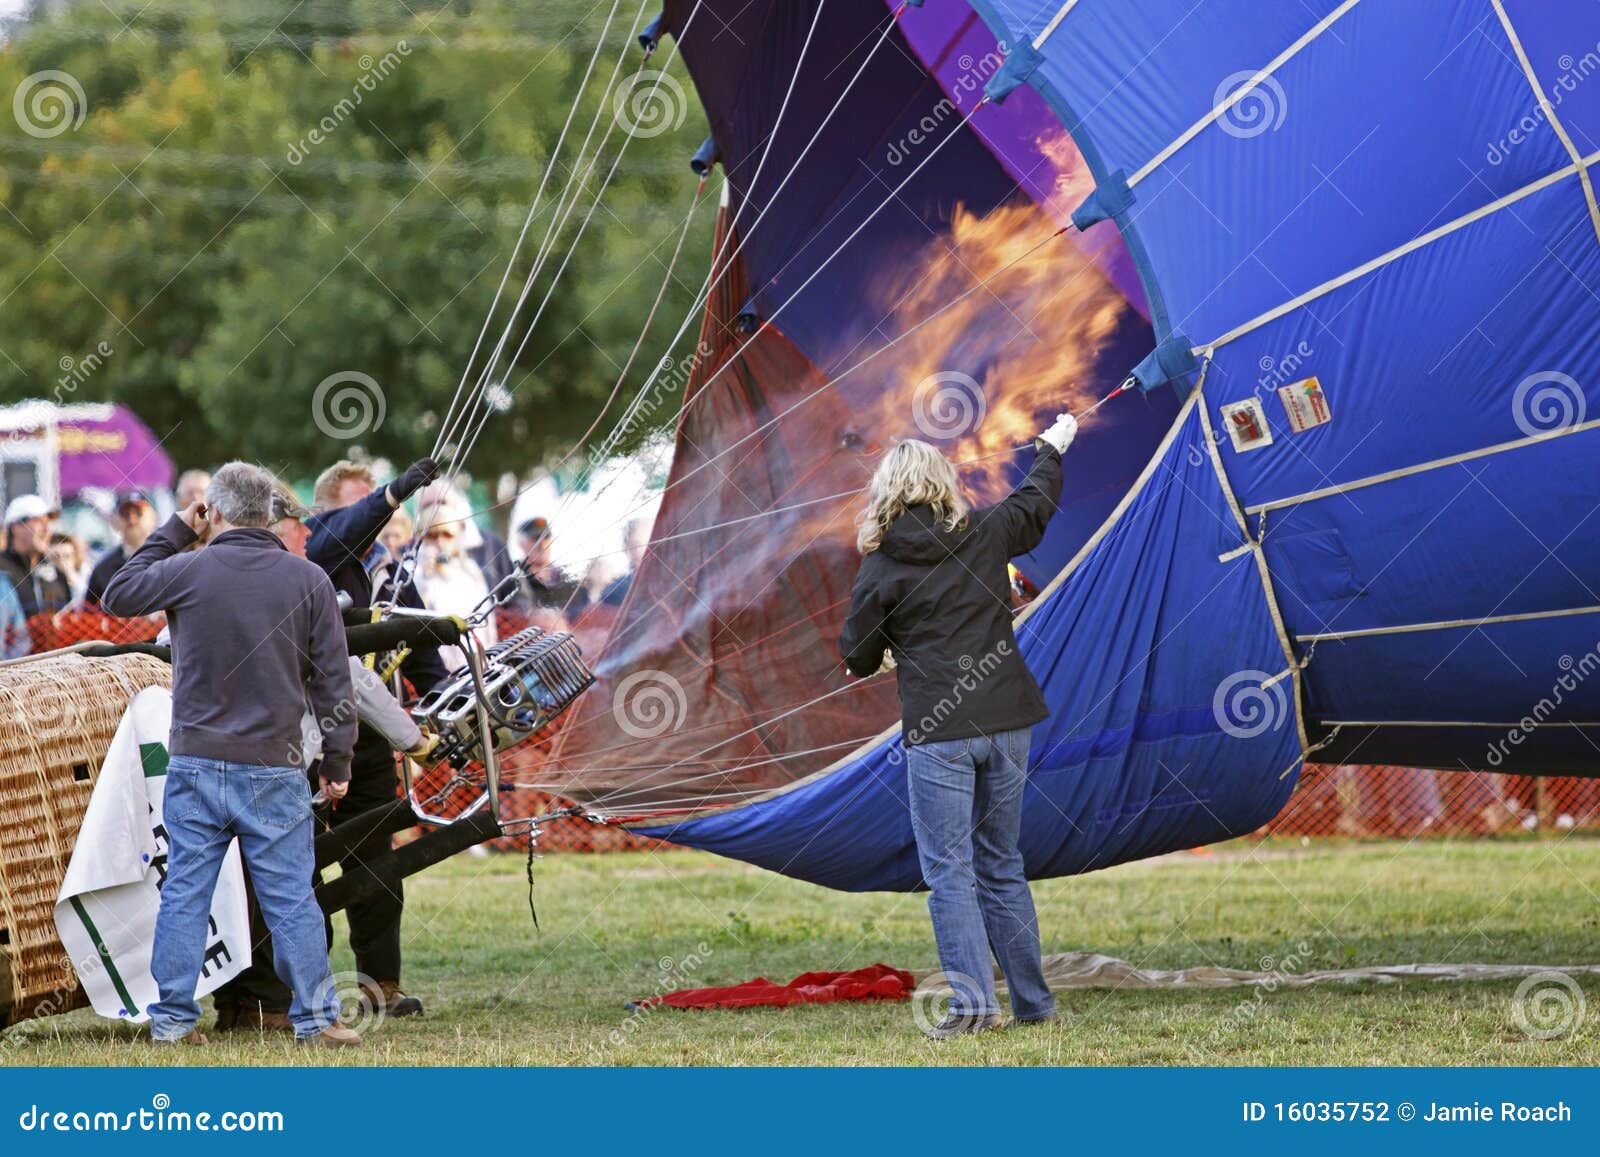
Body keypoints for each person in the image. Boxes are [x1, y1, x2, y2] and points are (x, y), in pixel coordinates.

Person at [100, 461, 360, 1047]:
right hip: (275, 764)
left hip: (195, 761)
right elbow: (334, 687)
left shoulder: (190, 569)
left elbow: (117, 595)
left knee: (187, 892)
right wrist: (339, 764)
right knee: (292, 897)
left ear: (212, 512)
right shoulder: (308, 581)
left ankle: (171, 1020)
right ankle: (317, 1020)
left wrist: (174, 528)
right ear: (269, 513)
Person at [838, 414, 1077, 1040]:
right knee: (1002, 862)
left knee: (949, 870)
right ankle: (1034, 1004)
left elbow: (856, 655)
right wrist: (1050, 450)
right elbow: (1034, 504)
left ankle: (973, 1010)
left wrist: (888, 645)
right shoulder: (984, 534)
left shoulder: (881, 566)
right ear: (942, 482)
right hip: (1008, 719)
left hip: (939, 731)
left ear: (885, 492)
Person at [305, 455, 444, 1019]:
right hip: (304, 742)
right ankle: (305, 987)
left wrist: (442, 708)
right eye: (358, 507)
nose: (375, 519)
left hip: (369, 739)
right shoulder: (309, 561)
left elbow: (425, 655)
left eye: (377, 507)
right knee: (300, 867)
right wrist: (389, 494)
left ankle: (379, 982)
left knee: (376, 863)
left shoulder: (394, 579)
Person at [415, 498, 496, 668]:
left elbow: (487, 623)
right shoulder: (413, 572)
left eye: (447, 533)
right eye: (431, 534)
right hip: (440, 667)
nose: (439, 540)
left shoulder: (470, 570)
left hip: (477, 661)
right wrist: (425, 577)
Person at [0, 494, 72, 619]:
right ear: (16, 527)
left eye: (48, 522)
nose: (46, 529)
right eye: (39, 521)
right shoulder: (2, 569)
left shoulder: (54, 571)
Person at [86, 493, 159, 606]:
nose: (132, 519)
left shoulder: (171, 558)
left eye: (138, 513)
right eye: (125, 514)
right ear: (115, 521)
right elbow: (89, 612)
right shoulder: (103, 568)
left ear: (153, 518)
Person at [511, 516, 578, 611]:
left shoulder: (567, 580)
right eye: (535, 538)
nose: (542, 544)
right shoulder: (512, 578)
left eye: (546, 537)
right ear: (520, 543)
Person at [601, 516, 651, 606]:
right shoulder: (616, 591)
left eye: (650, 542)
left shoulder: (676, 579)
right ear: (627, 550)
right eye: (636, 545)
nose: (645, 550)